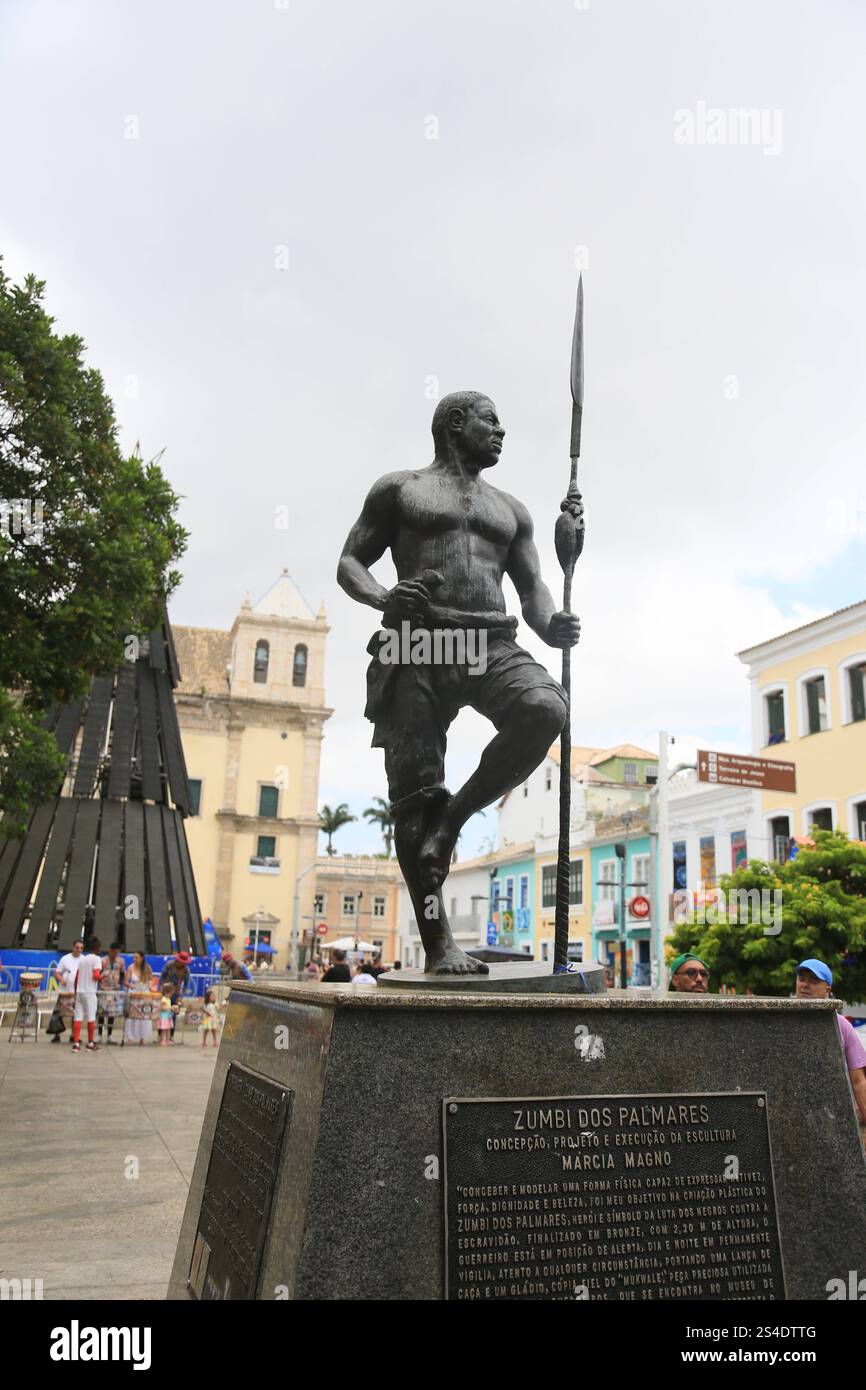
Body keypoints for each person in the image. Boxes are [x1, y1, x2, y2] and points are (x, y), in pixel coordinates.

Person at [338, 391, 581, 975]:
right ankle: (439, 943)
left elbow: (533, 592)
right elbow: (349, 563)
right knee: (415, 794)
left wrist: (552, 625)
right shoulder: (400, 489)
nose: (502, 431)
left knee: (546, 709)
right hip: (416, 640)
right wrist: (383, 596)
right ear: (455, 424)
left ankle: (453, 821)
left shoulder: (513, 510)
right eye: (490, 420)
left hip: (490, 640)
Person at [795, 959, 866, 1128]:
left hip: (832, 1118)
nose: (805, 985)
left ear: (827, 990)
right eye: (802, 978)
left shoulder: (842, 1026)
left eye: (813, 981)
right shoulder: (779, 1021)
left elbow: (858, 1080)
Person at [54, 937, 103, 1051]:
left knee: (78, 1018)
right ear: (97, 948)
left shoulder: (82, 960)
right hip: (89, 992)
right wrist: (102, 977)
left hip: (79, 992)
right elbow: (96, 975)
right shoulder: (96, 959)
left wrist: (76, 991)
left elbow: (76, 977)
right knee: (91, 1018)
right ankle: (90, 1043)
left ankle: (75, 1044)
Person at [124, 952, 156, 1046]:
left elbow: (151, 979)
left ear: (141, 958)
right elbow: (126, 982)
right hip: (134, 994)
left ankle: (143, 1037)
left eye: (136, 957)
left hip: (144, 993)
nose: (134, 959)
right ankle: (130, 1037)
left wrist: (149, 984)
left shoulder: (147, 968)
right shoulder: (130, 968)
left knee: (144, 1015)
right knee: (132, 1015)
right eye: (133, 957)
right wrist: (131, 986)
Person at [97, 941, 126, 1044]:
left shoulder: (121, 961)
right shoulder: (102, 960)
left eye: (117, 952)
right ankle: (99, 1034)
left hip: (115, 991)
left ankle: (110, 1035)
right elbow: (98, 974)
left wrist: (120, 984)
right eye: (114, 952)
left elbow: (122, 974)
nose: (115, 954)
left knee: (111, 1014)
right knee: (101, 1012)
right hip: (103, 990)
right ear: (110, 950)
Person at [159, 951, 191, 1041]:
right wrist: (161, 988)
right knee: (163, 1014)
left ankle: (170, 1036)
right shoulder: (169, 965)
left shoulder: (186, 970)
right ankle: (161, 1035)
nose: (182, 964)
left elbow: (186, 984)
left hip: (176, 993)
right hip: (165, 992)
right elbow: (162, 976)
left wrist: (182, 995)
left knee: (173, 1014)